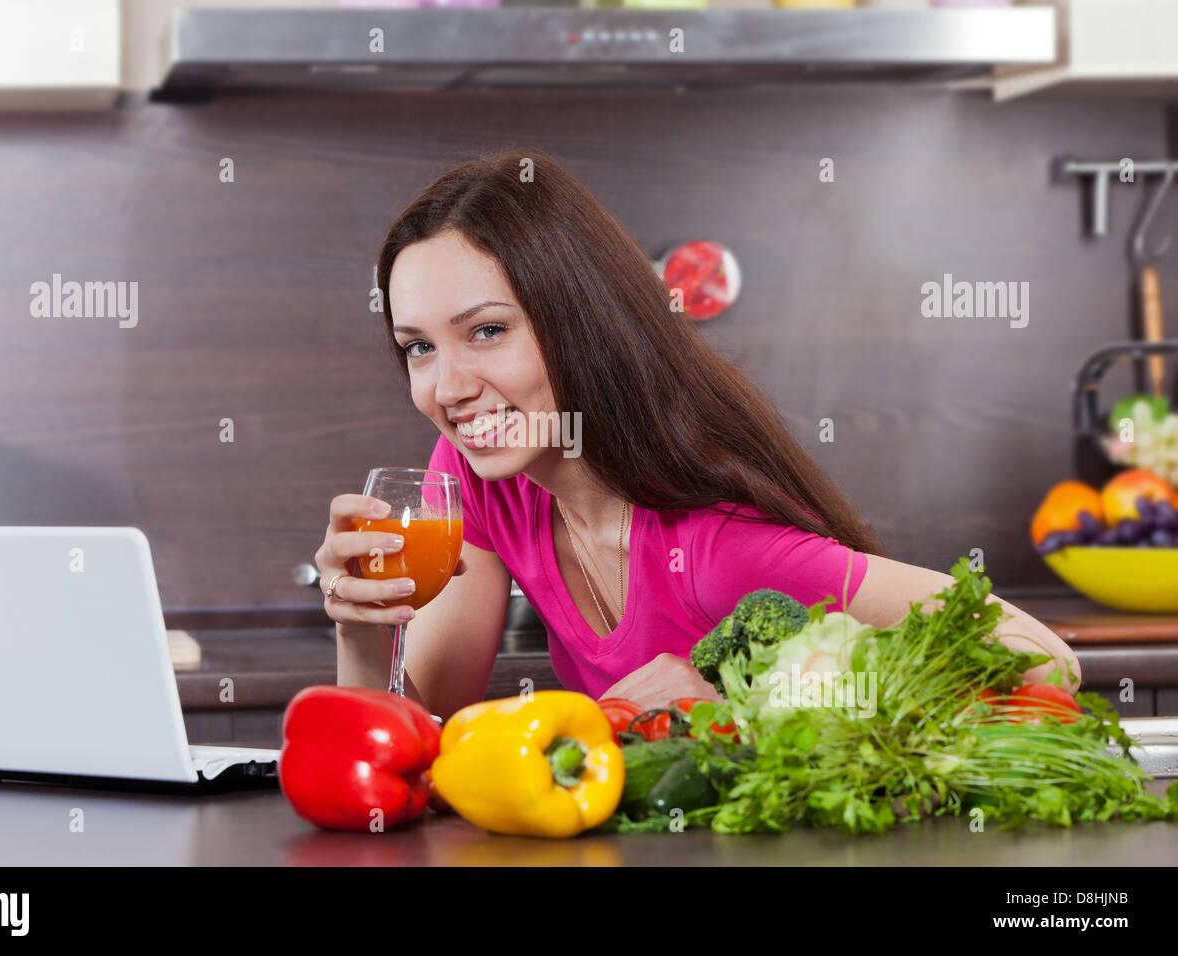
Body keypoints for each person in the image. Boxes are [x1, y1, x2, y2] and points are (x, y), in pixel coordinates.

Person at [316, 149, 1080, 721]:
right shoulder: (481, 474)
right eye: (419, 346)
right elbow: (422, 724)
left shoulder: (717, 548)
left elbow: (1045, 659)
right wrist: (361, 626)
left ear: (583, 325)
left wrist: (743, 697)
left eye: (486, 331)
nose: (446, 387)